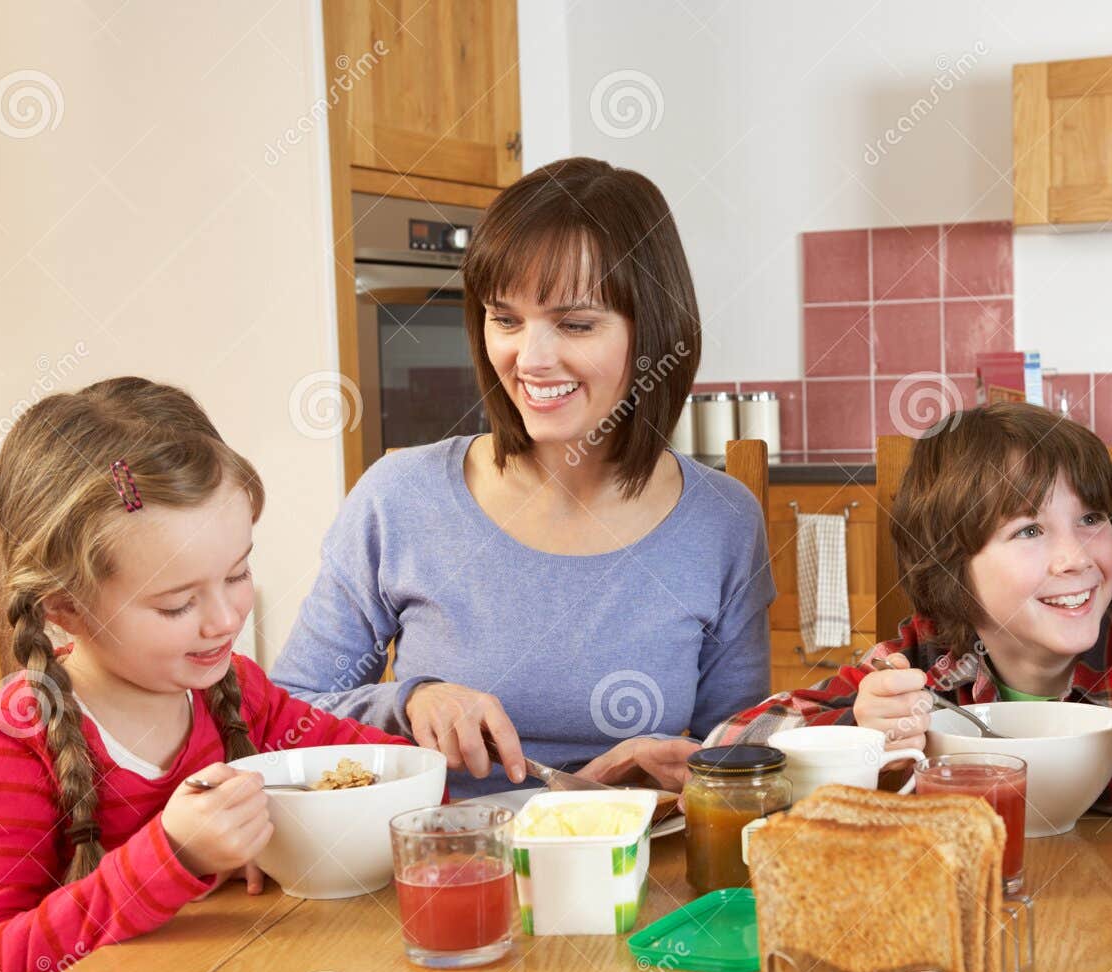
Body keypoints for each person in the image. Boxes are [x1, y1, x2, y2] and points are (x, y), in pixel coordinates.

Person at [272, 158, 774, 799]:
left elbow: (737, 767)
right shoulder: (398, 497)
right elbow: (283, 721)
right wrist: (410, 703)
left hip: (632, 879)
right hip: (442, 871)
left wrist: (659, 777)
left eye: (574, 323)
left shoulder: (722, 521)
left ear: (652, 333)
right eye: (505, 319)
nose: (529, 360)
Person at [0, 378, 412, 972]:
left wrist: (426, 731)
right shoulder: (11, 747)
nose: (224, 619)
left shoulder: (237, 692)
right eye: (177, 603)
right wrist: (170, 856)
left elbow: (385, 772)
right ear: (63, 605)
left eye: (237, 574)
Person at [708, 403, 1112, 820]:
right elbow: (731, 740)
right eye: (1029, 531)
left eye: (1092, 519)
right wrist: (858, 734)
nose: (1077, 558)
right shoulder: (925, 658)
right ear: (951, 568)